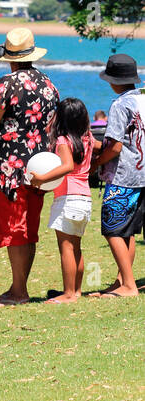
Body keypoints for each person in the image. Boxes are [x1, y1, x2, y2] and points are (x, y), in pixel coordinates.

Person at [0, 27, 60, 306]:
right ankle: (19, 286)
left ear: (10, 57)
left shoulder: (7, 83)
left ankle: (18, 291)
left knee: (14, 229)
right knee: (28, 229)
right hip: (39, 167)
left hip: (8, 168)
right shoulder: (49, 84)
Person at [29, 99, 94, 304]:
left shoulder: (63, 141)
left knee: (66, 247)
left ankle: (67, 293)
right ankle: (76, 291)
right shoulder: (89, 138)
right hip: (84, 198)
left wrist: (41, 179)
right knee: (76, 247)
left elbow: (66, 166)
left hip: (68, 198)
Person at [90, 54, 144, 298]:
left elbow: (114, 146)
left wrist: (96, 163)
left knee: (112, 229)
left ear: (113, 81)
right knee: (128, 231)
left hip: (124, 176)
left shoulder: (120, 105)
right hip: (143, 174)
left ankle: (129, 286)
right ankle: (123, 280)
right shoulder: (143, 99)